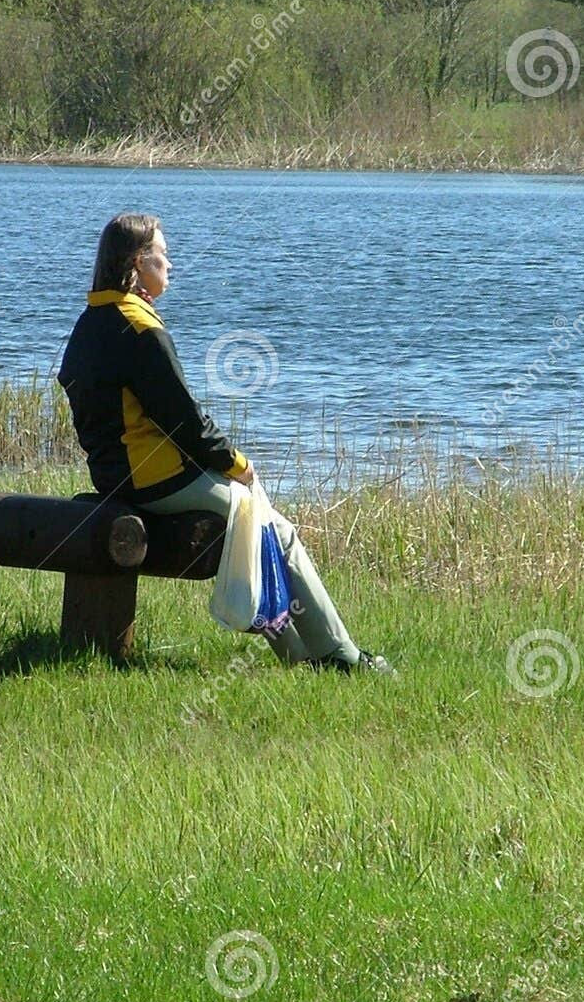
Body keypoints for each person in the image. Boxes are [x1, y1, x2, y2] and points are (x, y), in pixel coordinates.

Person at [56, 213, 395, 674]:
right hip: (156, 481)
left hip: (114, 478)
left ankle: (298, 656)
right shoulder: (139, 329)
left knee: (254, 530)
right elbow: (185, 421)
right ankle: (343, 657)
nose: (171, 265)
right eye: (163, 254)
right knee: (276, 532)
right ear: (139, 263)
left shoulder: (89, 320)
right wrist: (237, 464)